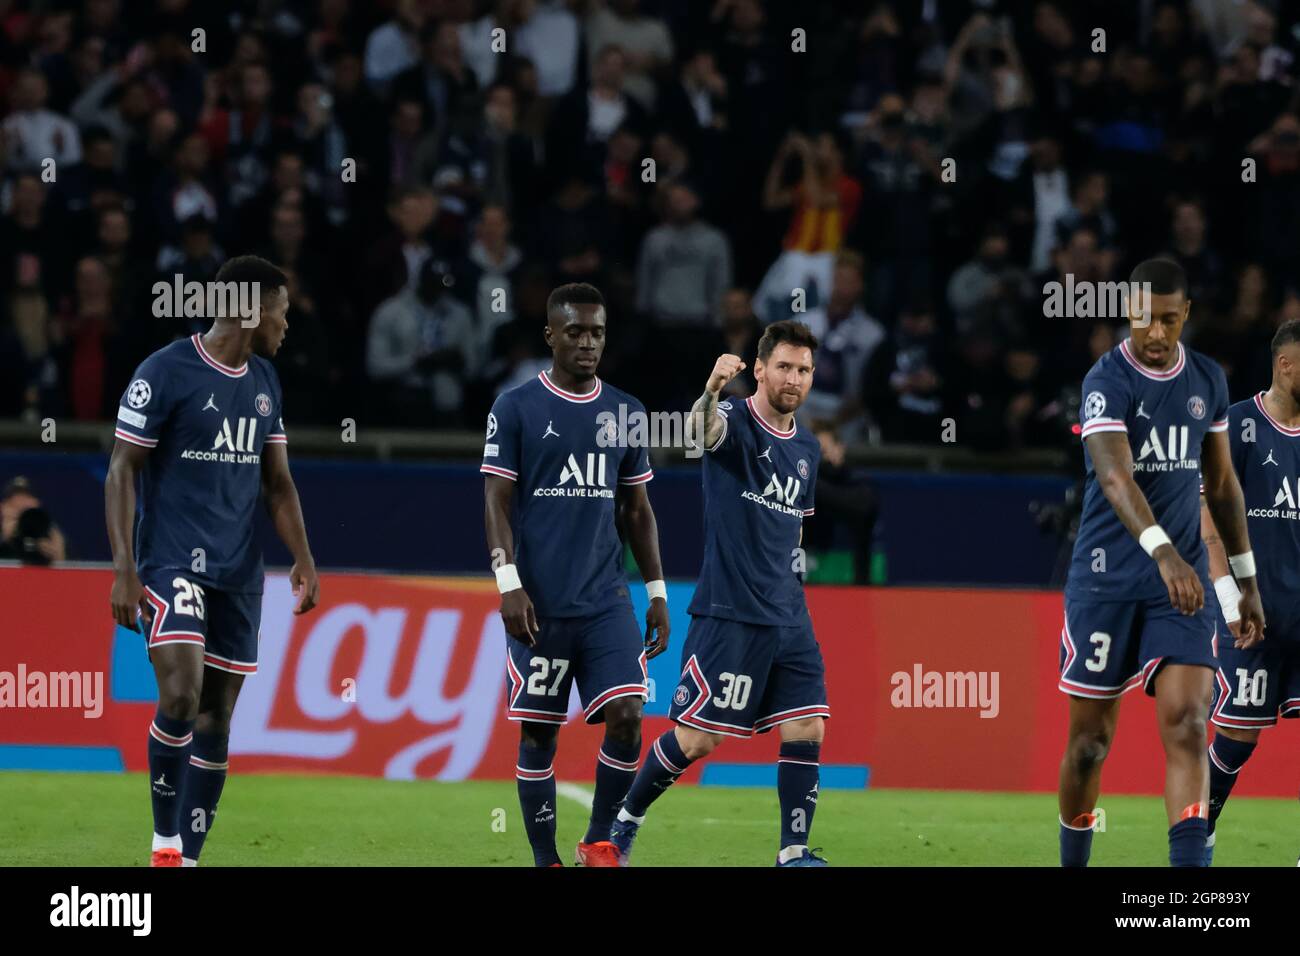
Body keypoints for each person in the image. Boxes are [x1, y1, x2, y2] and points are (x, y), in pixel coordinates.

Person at [104, 255, 320, 867]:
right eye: (281, 312)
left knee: (217, 717)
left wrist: (302, 555)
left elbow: (277, 484)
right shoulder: (165, 371)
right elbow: (122, 467)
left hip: (238, 572)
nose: (286, 324)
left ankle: (190, 859)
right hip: (171, 562)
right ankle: (165, 844)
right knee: (180, 694)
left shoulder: (265, 384)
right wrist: (124, 568)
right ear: (252, 311)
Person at [1058, 258, 1264, 867]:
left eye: (1170, 321)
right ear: (1128, 310)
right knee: (1091, 745)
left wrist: (1245, 580)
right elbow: (1115, 477)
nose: (1156, 334)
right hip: (1107, 580)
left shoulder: (1207, 379)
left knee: (1189, 722)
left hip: (1183, 587)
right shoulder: (1106, 380)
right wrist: (1166, 552)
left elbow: (1222, 485)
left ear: (1186, 316)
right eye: (1146, 319)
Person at [610, 320, 830, 867]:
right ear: (759, 369)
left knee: (809, 724)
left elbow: (795, 529)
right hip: (731, 610)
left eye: (803, 369)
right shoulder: (734, 418)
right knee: (699, 741)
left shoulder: (806, 446)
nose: (794, 378)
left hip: (787, 612)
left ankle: (793, 851)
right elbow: (697, 433)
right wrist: (711, 390)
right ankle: (621, 825)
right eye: (784, 366)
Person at [481, 282, 670, 867]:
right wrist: (507, 583)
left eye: (597, 333)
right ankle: (546, 859)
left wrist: (658, 592)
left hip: (605, 601)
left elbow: (637, 510)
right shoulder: (515, 407)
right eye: (575, 332)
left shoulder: (627, 412)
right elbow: (496, 502)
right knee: (539, 734)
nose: (588, 343)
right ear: (551, 336)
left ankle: (599, 841)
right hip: (537, 603)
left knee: (629, 715)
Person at [1198, 319, 1300, 865]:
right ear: (1285, 365)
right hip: (1254, 615)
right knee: (1239, 736)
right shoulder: (1237, 425)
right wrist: (1230, 600)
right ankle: (1202, 822)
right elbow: (1206, 517)